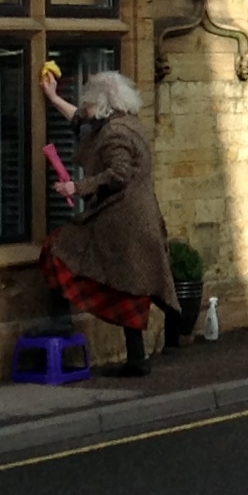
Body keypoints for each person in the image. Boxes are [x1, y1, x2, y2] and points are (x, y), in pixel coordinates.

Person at [38, 67, 182, 375]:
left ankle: (60, 324)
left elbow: (118, 174)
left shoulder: (115, 134)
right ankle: (138, 358)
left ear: (102, 104)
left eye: (89, 102)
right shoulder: (127, 123)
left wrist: (75, 187)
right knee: (128, 285)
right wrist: (53, 98)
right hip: (136, 219)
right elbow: (82, 121)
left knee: (57, 250)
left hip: (121, 219)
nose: (85, 107)